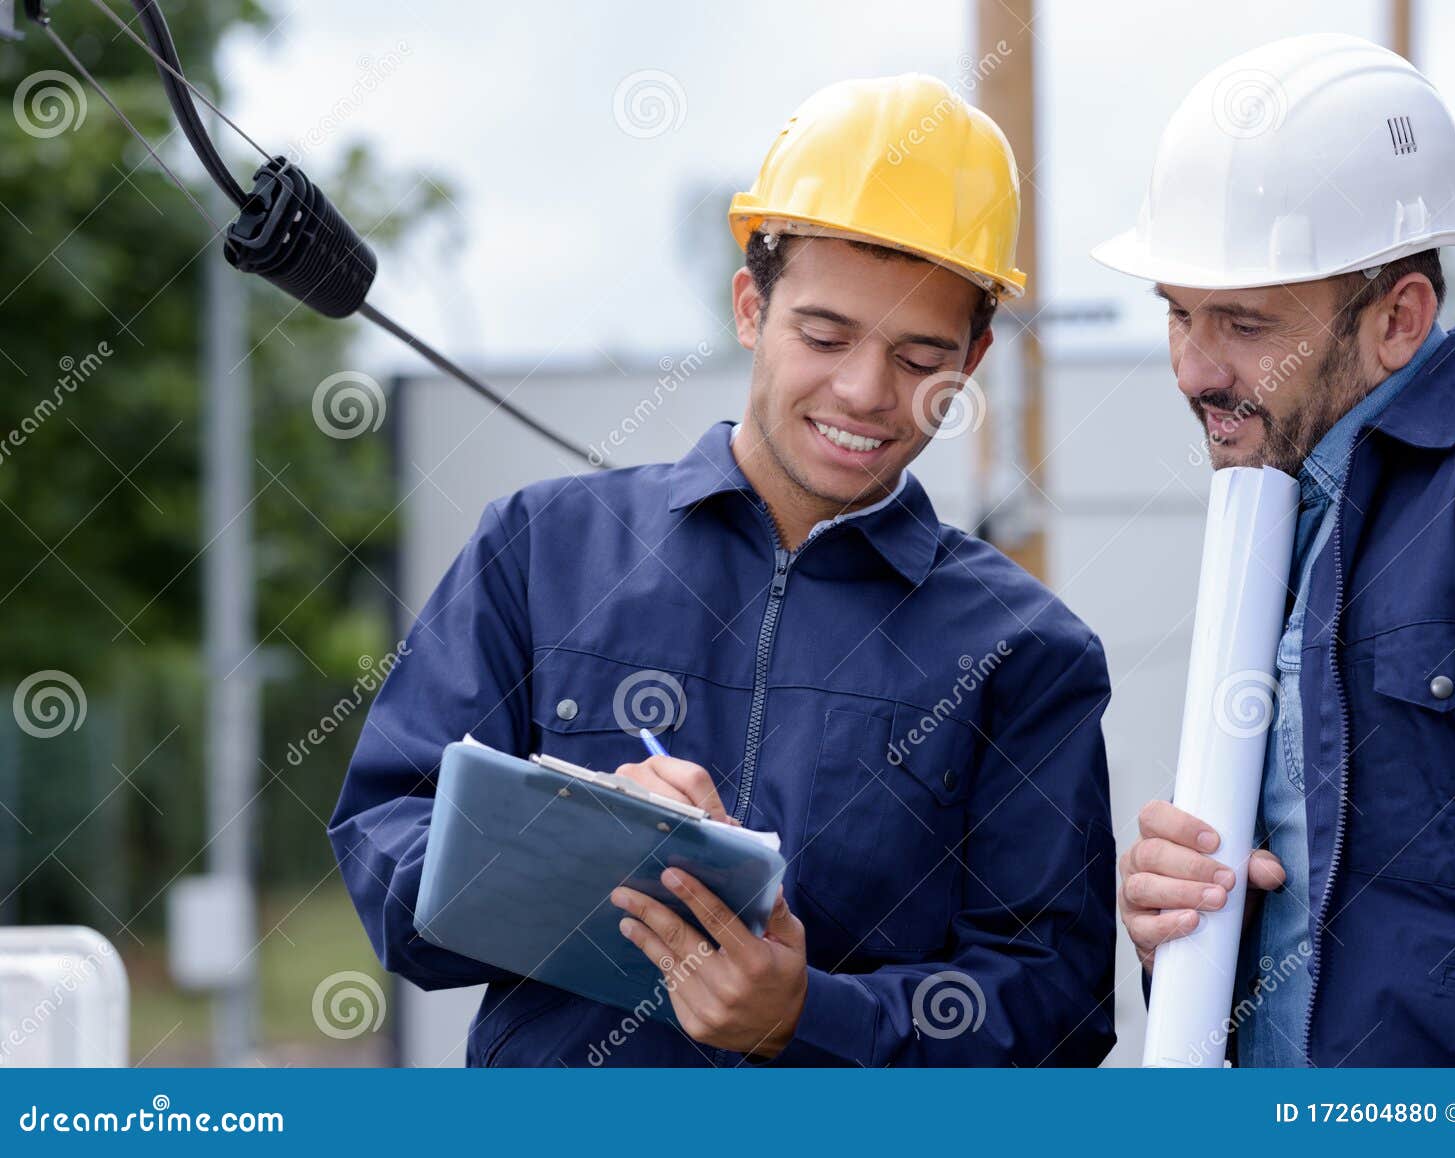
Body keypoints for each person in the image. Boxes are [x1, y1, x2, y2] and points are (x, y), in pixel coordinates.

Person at [330, 74, 1116, 1066]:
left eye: (921, 358)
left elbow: (1057, 1003)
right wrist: (574, 842)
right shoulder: (543, 550)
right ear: (751, 307)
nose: (866, 392)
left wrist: (812, 1019)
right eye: (824, 336)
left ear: (976, 355)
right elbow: (384, 839)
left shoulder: (1022, 651)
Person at [1098, 33, 1455, 1065]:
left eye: (1241, 323)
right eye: (1176, 315)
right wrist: (1186, 927)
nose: (1193, 370)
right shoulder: (1275, 505)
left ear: (1397, 321)